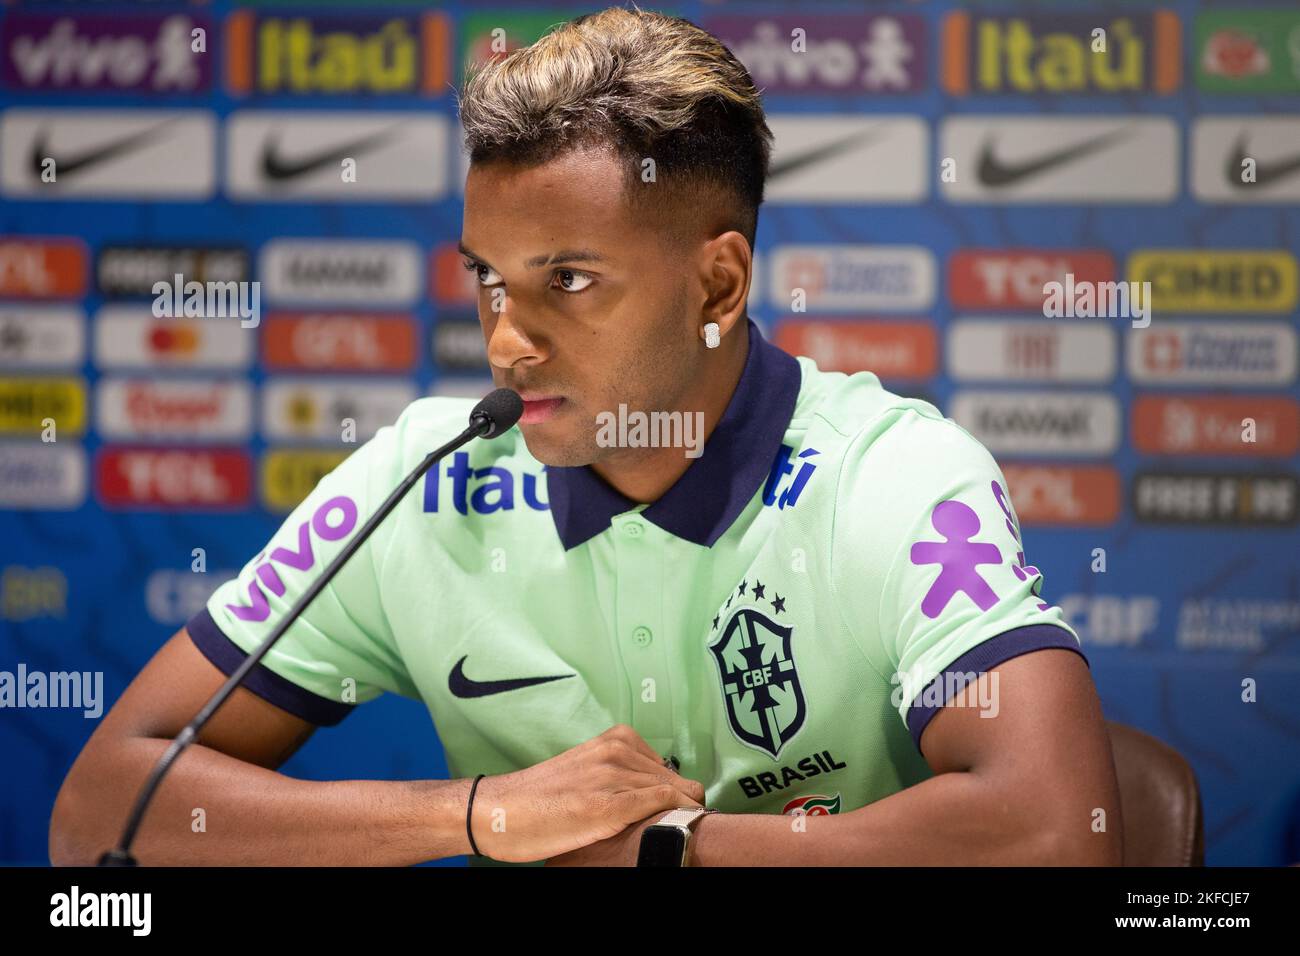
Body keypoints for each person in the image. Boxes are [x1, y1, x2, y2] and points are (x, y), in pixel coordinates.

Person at [51, 7, 1122, 867]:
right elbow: (104, 809)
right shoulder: (424, 481)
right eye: (487, 280)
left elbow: (1056, 828)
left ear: (718, 281)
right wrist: (481, 815)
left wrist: (669, 850)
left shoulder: (892, 475)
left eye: (568, 280)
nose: (507, 341)